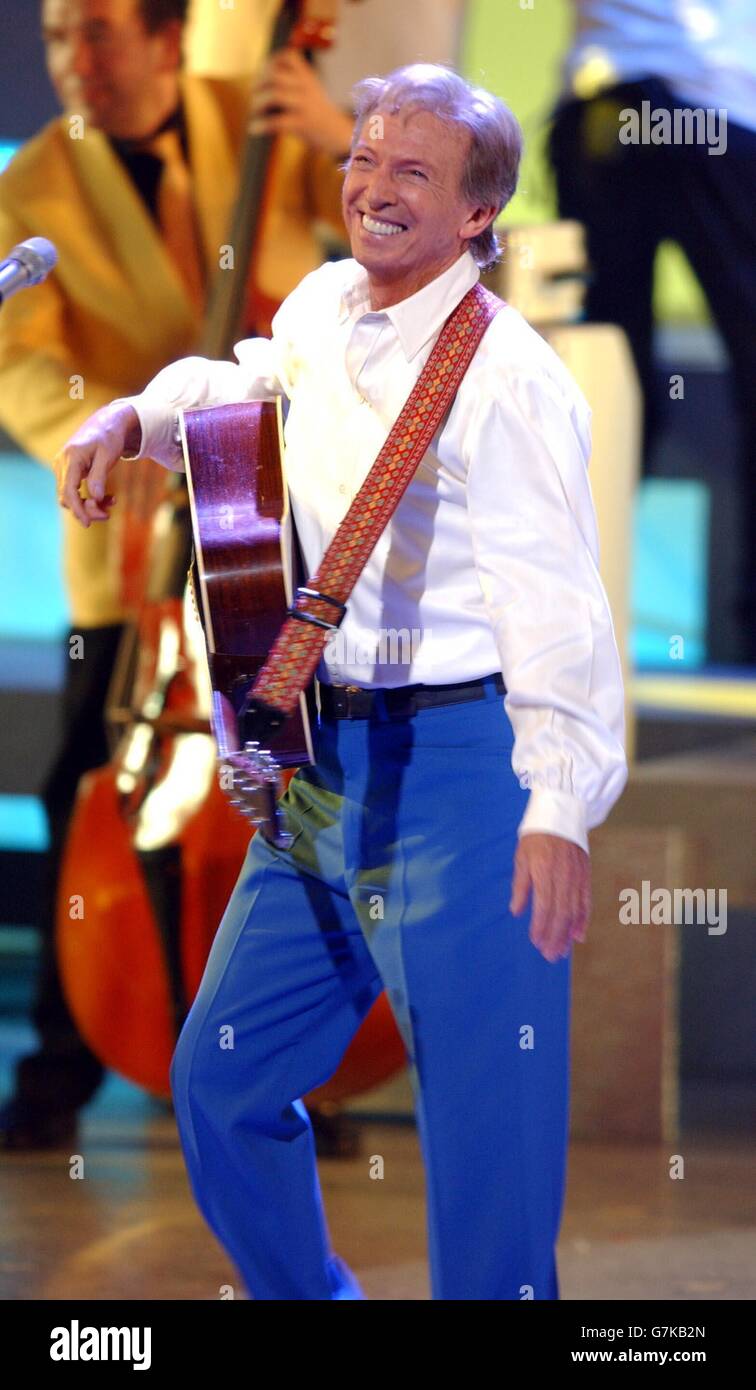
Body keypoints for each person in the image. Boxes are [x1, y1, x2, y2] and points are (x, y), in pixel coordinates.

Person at [56, 64, 628, 1300]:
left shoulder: (510, 381)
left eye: (412, 170)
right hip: (319, 767)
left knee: (488, 1139)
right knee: (221, 1078)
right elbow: (241, 382)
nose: (371, 185)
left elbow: (559, 613)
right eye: (363, 157)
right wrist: (132, 422)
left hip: (471, 767)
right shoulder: (323, 307)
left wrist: (556, 809)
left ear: (479, 212)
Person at [0, 0, 352, 1150]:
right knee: (85, 785)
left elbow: (366, 253)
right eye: (56, 36)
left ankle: (297, 1061)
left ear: (166, 40)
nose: (74, 61)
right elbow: (24, 356)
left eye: (97, 31)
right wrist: (104, 424)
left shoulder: (258, 117)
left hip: (270, 515)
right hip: (137, 550)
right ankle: (59, 1065)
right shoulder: (38, 181)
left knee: (287, 782)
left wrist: (340, 133)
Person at [549, 0, 756, 664]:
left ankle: (564, 624)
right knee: (607, 380)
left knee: (608, 379)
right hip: (716, 99)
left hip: (606, 106)